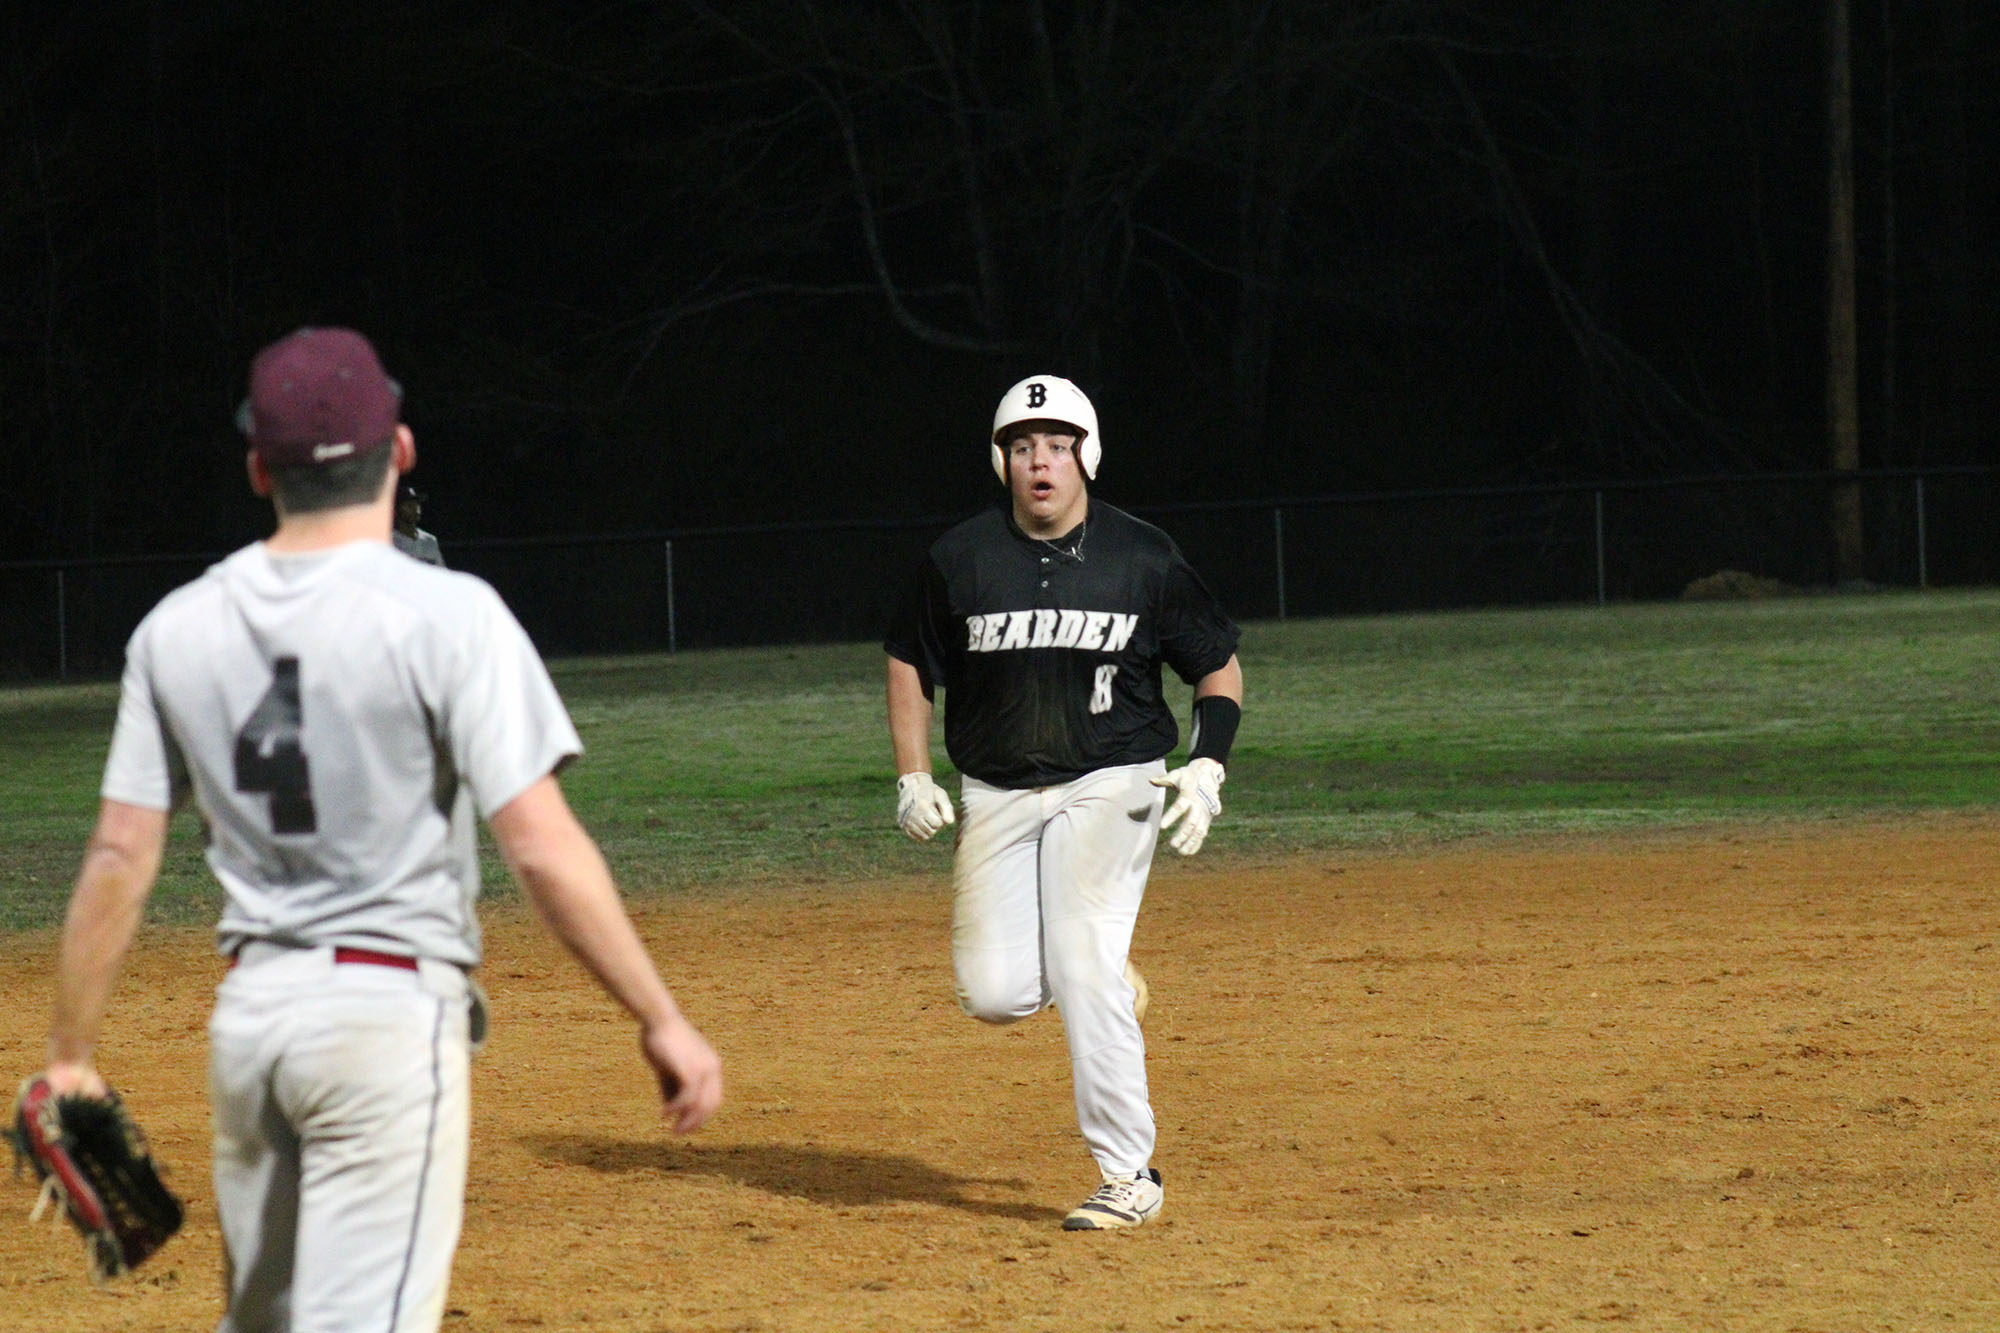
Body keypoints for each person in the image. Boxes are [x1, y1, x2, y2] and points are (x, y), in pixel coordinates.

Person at [36, 326, 722, 1330]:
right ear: (399, 451)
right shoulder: (450, 614)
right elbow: (539, 843)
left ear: (259, 467)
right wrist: (657, 1014)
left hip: (251, 1025)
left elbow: (118, 852)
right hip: (386, 1023)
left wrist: (69, 1054)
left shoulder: (176, 628)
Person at [883, 374, 1243, 1230]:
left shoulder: (1142, 555)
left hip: (1113, 775)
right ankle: (1107, 972)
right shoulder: (959, 558)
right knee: (995, 993)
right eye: (1021, 446)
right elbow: (908, 660)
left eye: (1055, 445)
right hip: (996, 787)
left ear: (1087, 456)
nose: (1038, 461)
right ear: (1000, 461)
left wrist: (1208, 764)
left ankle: (1129, 1175)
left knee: (1080, 961)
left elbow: (1217, 666)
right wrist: (912, 774)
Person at [393, 483, 445, 566]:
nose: (416, 509)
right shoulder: (388, 541)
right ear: (396, 509)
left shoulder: (430, 540)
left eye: (417, 504)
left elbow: (440, 570)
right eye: (409, 505)